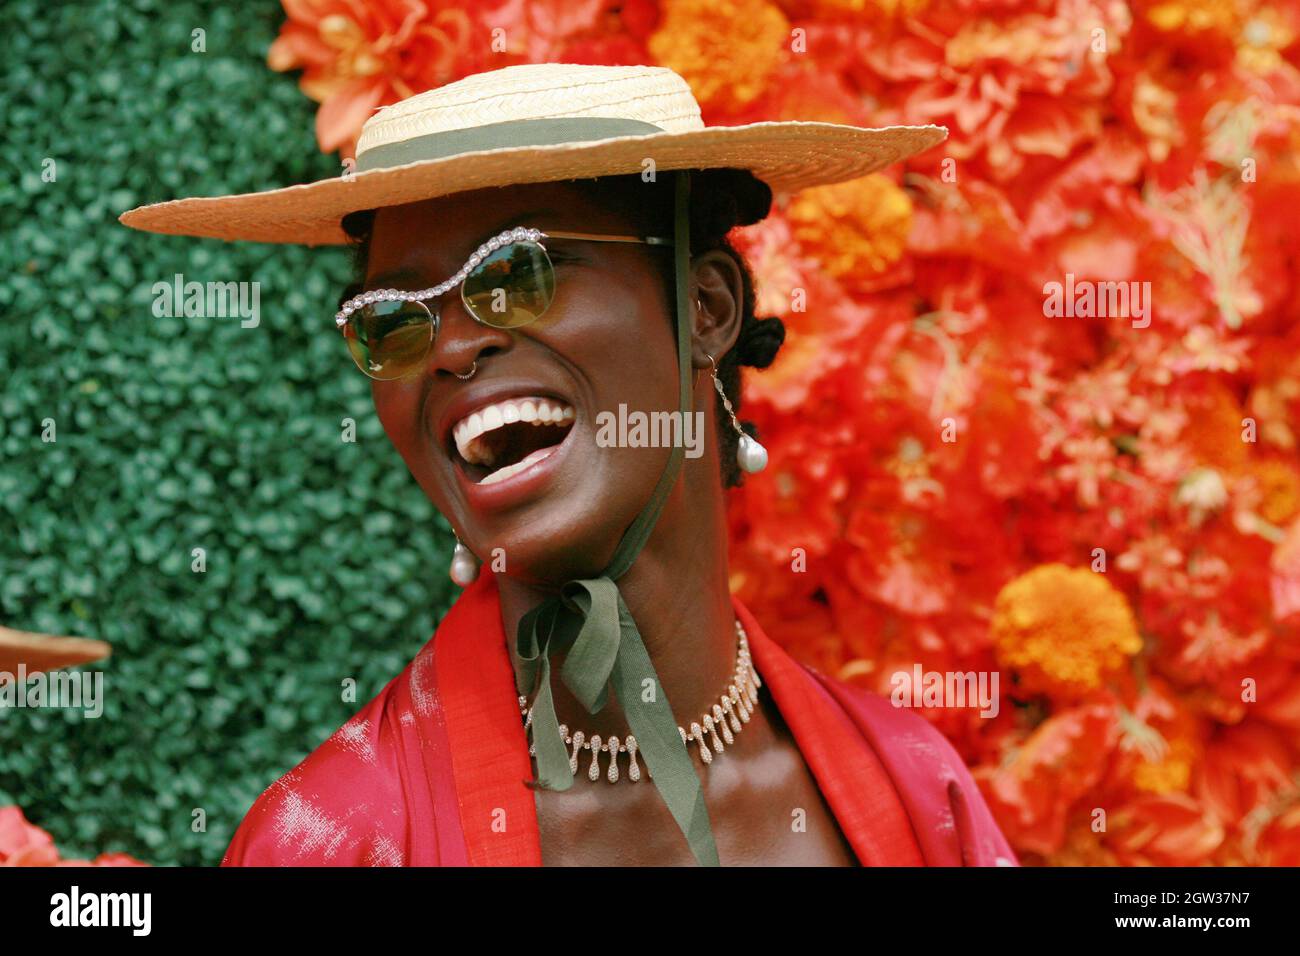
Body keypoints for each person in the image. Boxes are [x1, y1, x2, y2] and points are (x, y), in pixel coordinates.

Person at [121, 62, 1016, 867]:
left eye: (516, 271)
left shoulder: (914, 796)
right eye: (392, 321)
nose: (450, 349)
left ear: (706, 308)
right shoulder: (333, 841)